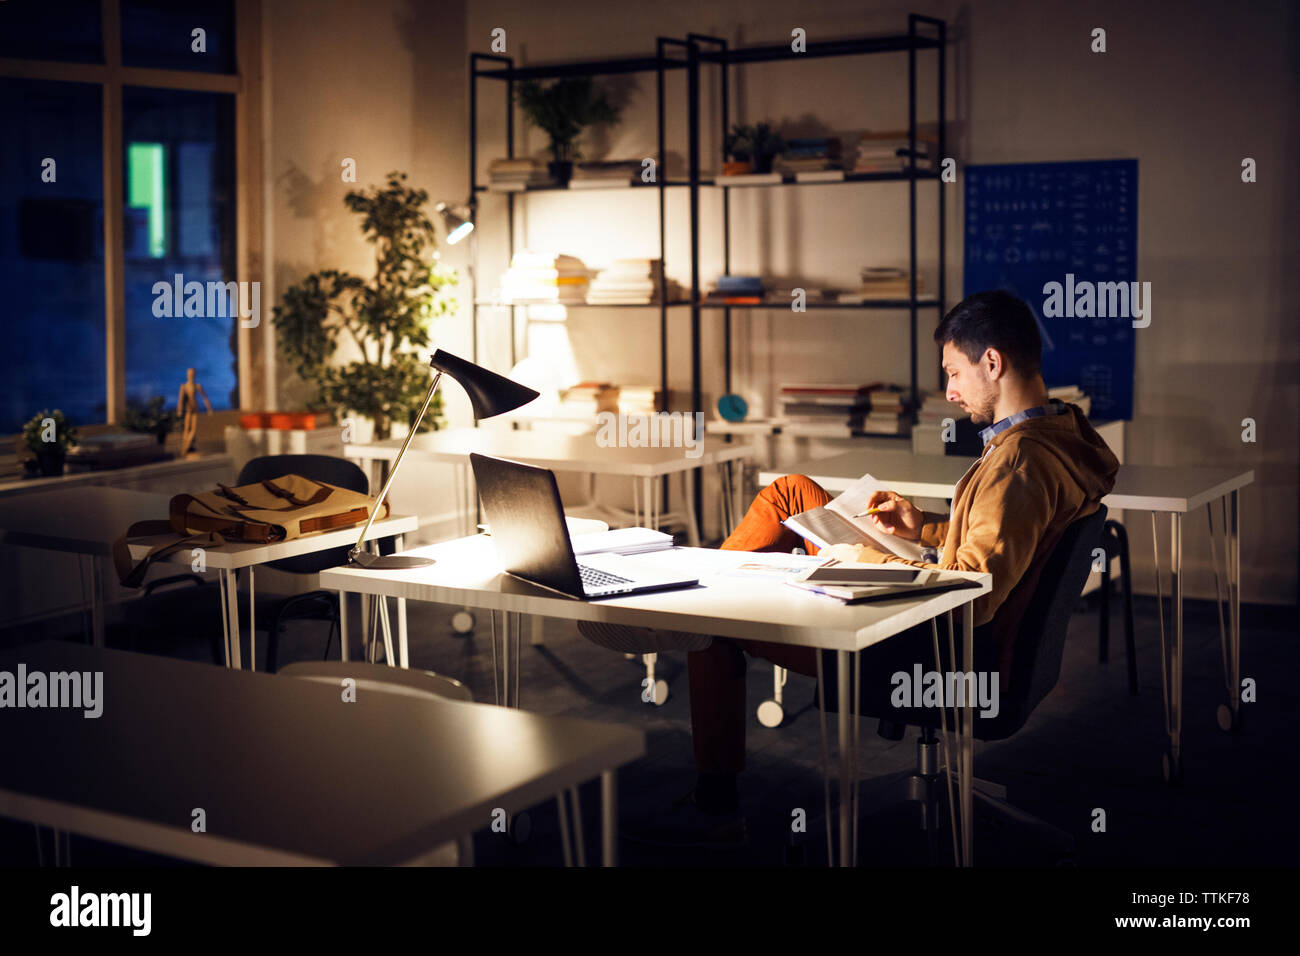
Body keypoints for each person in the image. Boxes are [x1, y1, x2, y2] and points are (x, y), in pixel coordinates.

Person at [578, 289, 1120, 847]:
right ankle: (685, 608)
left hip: (925, 648)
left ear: (993, 362)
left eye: (954, 373)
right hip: (942, 625)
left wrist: (859, 557)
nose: (951, 391)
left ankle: (691, 660)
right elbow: (1000, 540)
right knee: (791, 492)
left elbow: (973, 595)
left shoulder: (1018, 463)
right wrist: (921, 528)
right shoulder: (1061, 435)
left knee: (721, 629)